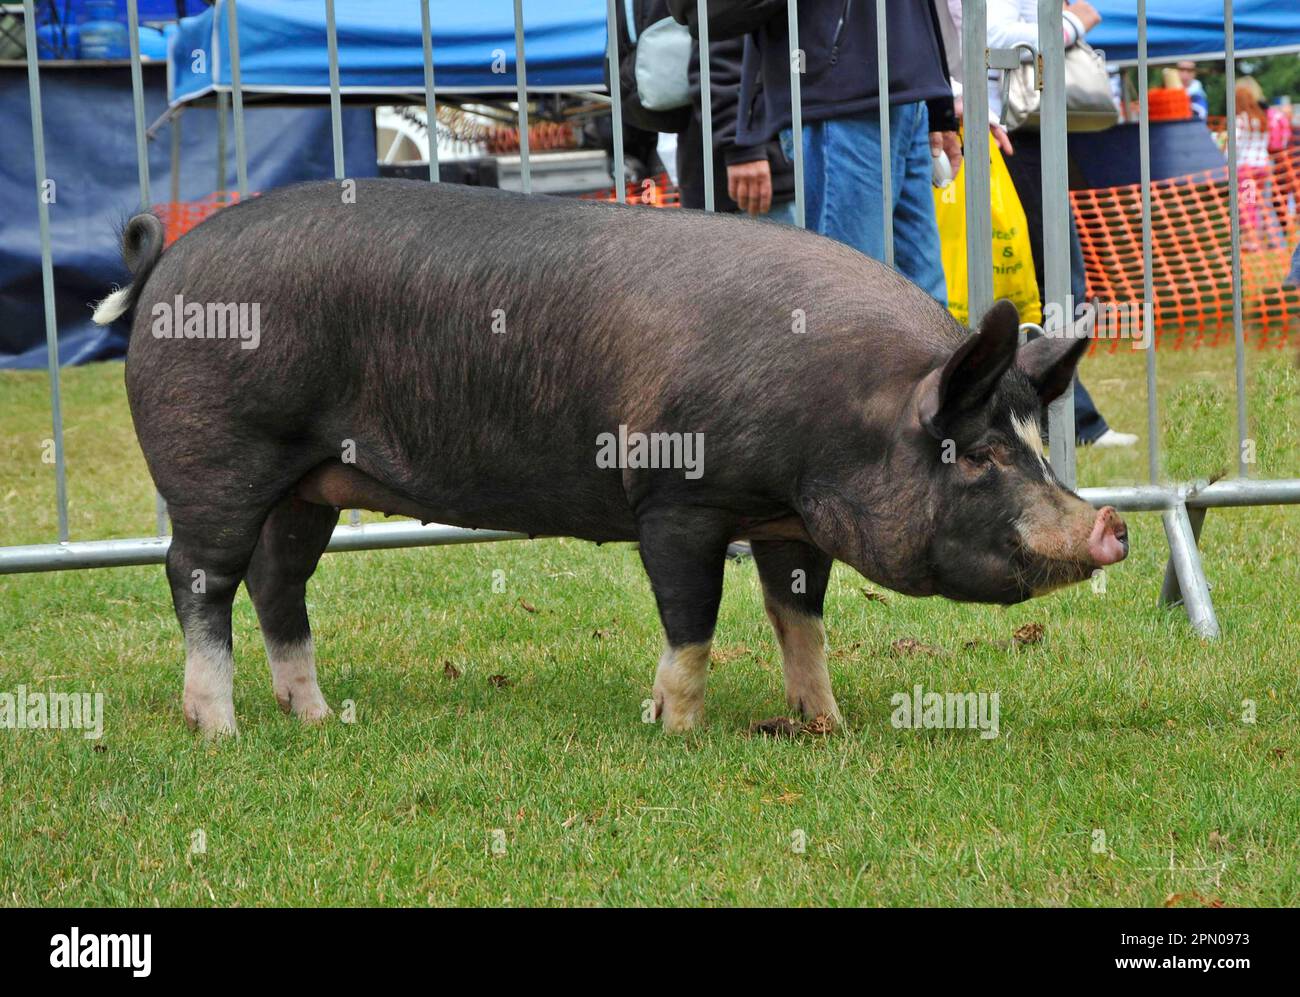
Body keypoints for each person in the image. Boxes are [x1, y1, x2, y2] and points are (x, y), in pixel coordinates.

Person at [671, 0, 962, 304]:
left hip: (901, 97)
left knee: (923, 305)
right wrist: (740, 144)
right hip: (840, 99)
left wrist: (938, 103)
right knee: (851, 301)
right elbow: (715, 43)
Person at [986, 0, 1137, 448]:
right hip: (1014, 136)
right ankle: (1069, 419)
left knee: (1059, 285)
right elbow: (996, 41)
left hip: (1024, 133)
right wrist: (1073, 22)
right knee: (1056, 284)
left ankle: (1065, 416)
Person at [1234, 77, 1274, 251]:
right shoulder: (1262, 118)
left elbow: (1234, 145)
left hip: (1246, 167)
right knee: (1261, 203)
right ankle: (1264, 239)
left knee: (1247, 204)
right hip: (1262, 165)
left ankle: (1251, 241)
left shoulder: (1240, 120)